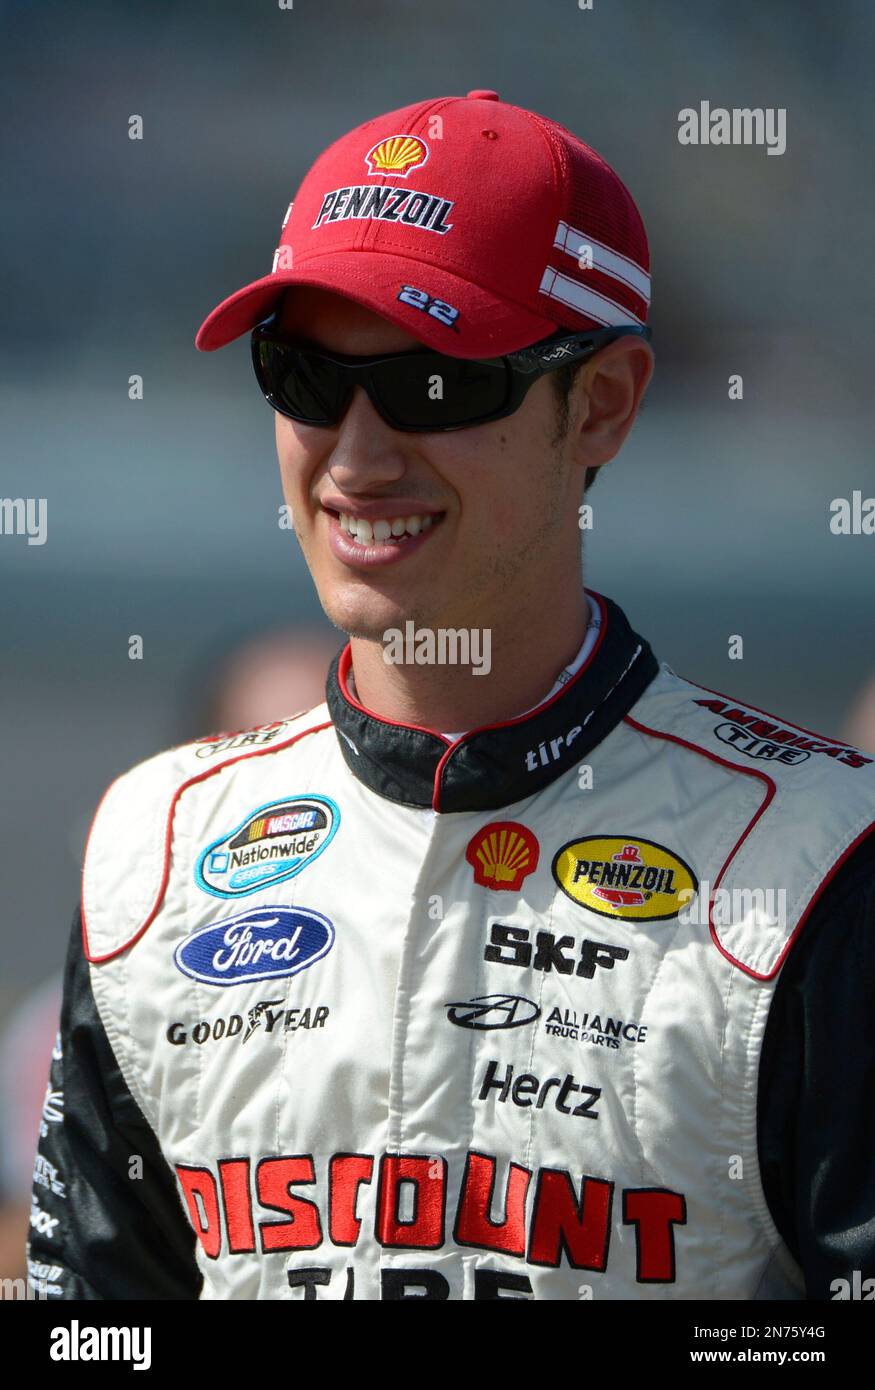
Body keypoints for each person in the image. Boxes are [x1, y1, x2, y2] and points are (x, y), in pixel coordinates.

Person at [28, 90, 875, 1301]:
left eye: (432, 387)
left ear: (602, 405)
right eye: (304, 376)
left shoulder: (820, 862)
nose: (358, 458)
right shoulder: (151, 851)